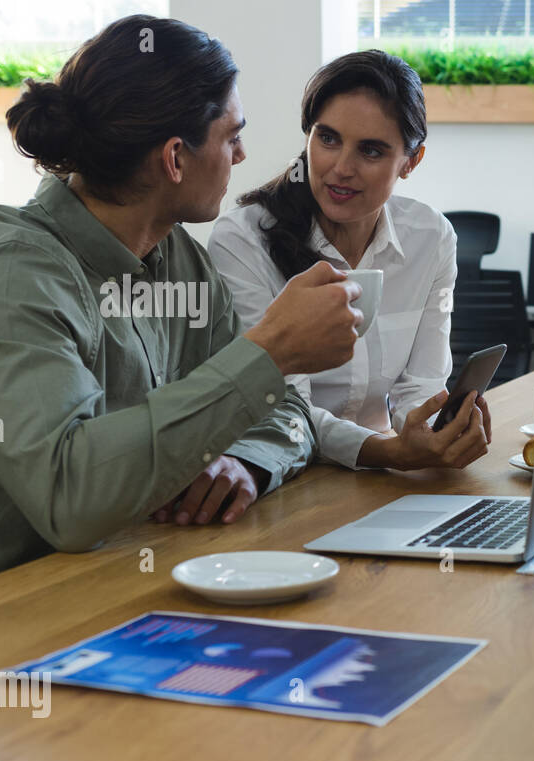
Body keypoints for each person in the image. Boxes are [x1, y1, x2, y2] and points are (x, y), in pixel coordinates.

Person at [0, 15, 364, 589]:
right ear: (175, 159)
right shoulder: (10, 269)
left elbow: (286, 414)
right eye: (231, 135)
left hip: (124, 576)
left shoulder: (180, 258)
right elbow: (69, 496)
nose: (241, 156)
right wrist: (271, 353)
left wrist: (244, 461)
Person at [208, 51, 490, 473]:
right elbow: (284, 409)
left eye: (371, 151)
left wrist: (436, 432)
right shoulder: (242, 240)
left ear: (411, 162)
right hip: (276, 477)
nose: (341, 168)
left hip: (382, 478)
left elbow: (422, 384)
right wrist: (386, 452)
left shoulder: (431, 237)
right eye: (328, 138)